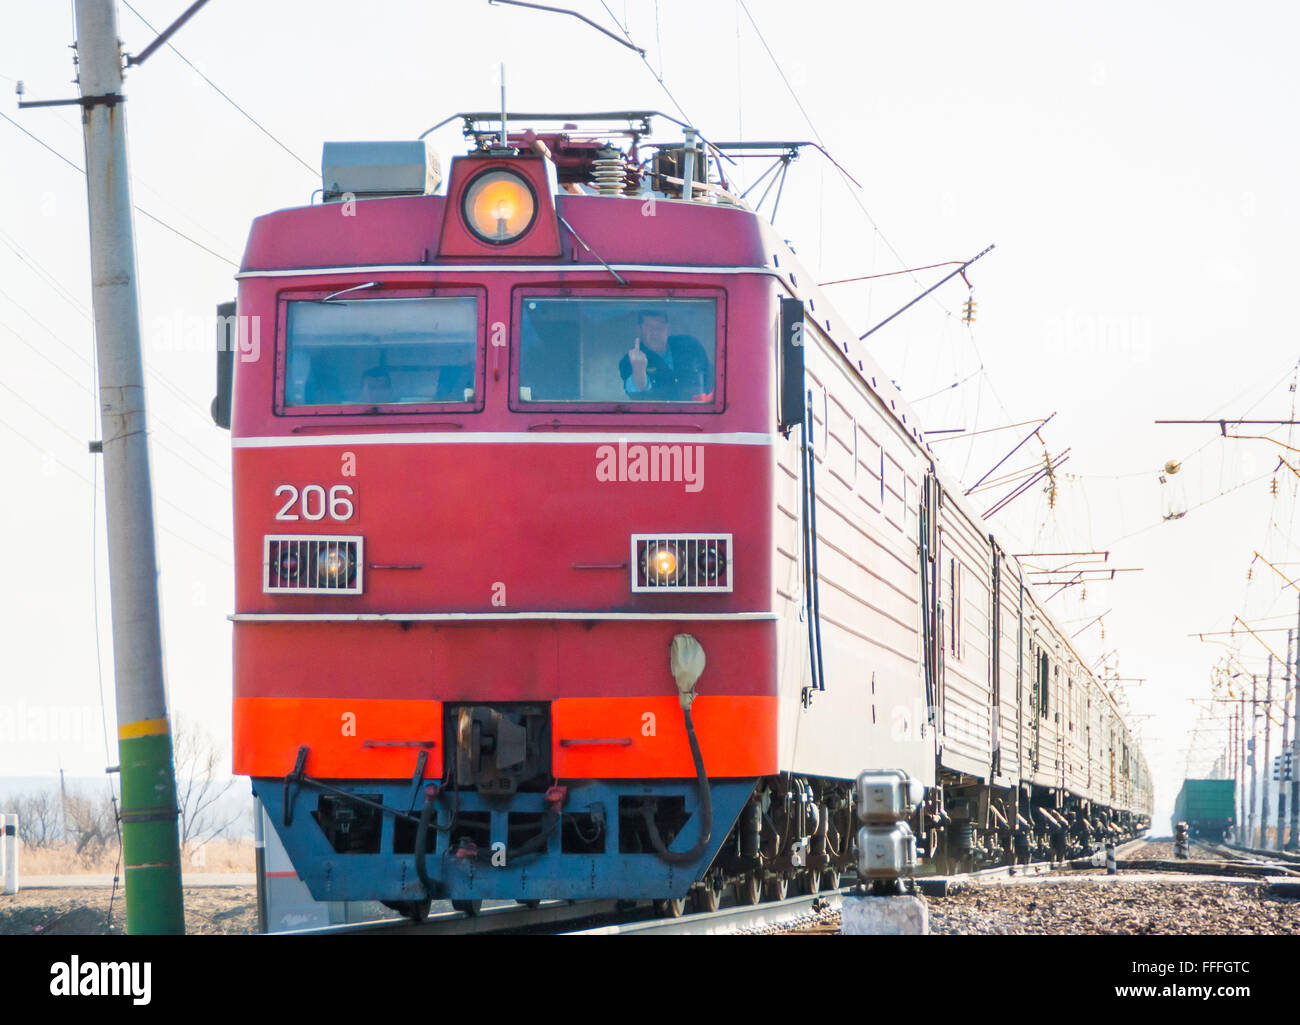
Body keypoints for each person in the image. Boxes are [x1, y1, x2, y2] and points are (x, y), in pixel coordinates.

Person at [618, 309, 711, 402]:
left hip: (696, 413)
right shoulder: (630, 360)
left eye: (659, 327)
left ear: (668, 329)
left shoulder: (690, 345)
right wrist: (638, 370)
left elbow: (711, 377)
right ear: (639, 330)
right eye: (649, 328)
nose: (655, 333)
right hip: (656, 415)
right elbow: (636, 394)